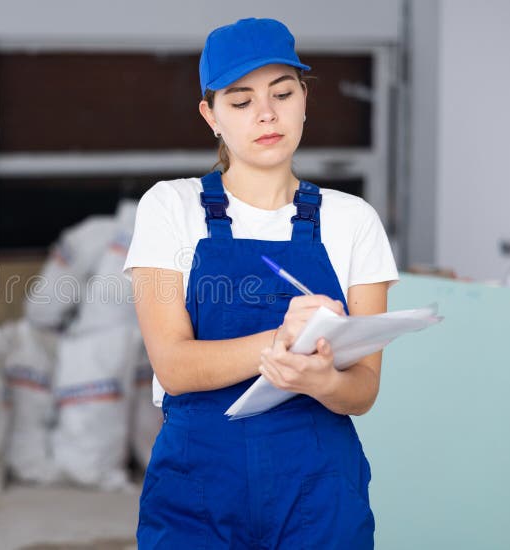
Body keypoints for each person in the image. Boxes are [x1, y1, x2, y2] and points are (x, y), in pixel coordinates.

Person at [123, 17, 399, 549]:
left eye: (282, 93)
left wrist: (321, 381)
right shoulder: (169, 207)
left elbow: (363, 389)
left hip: (319, 489)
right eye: (241, 100)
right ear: (211, 116)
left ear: (303, 99)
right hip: (198, 485)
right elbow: (174, 367)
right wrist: (280, 344)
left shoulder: (354, 220)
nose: (266, 114)